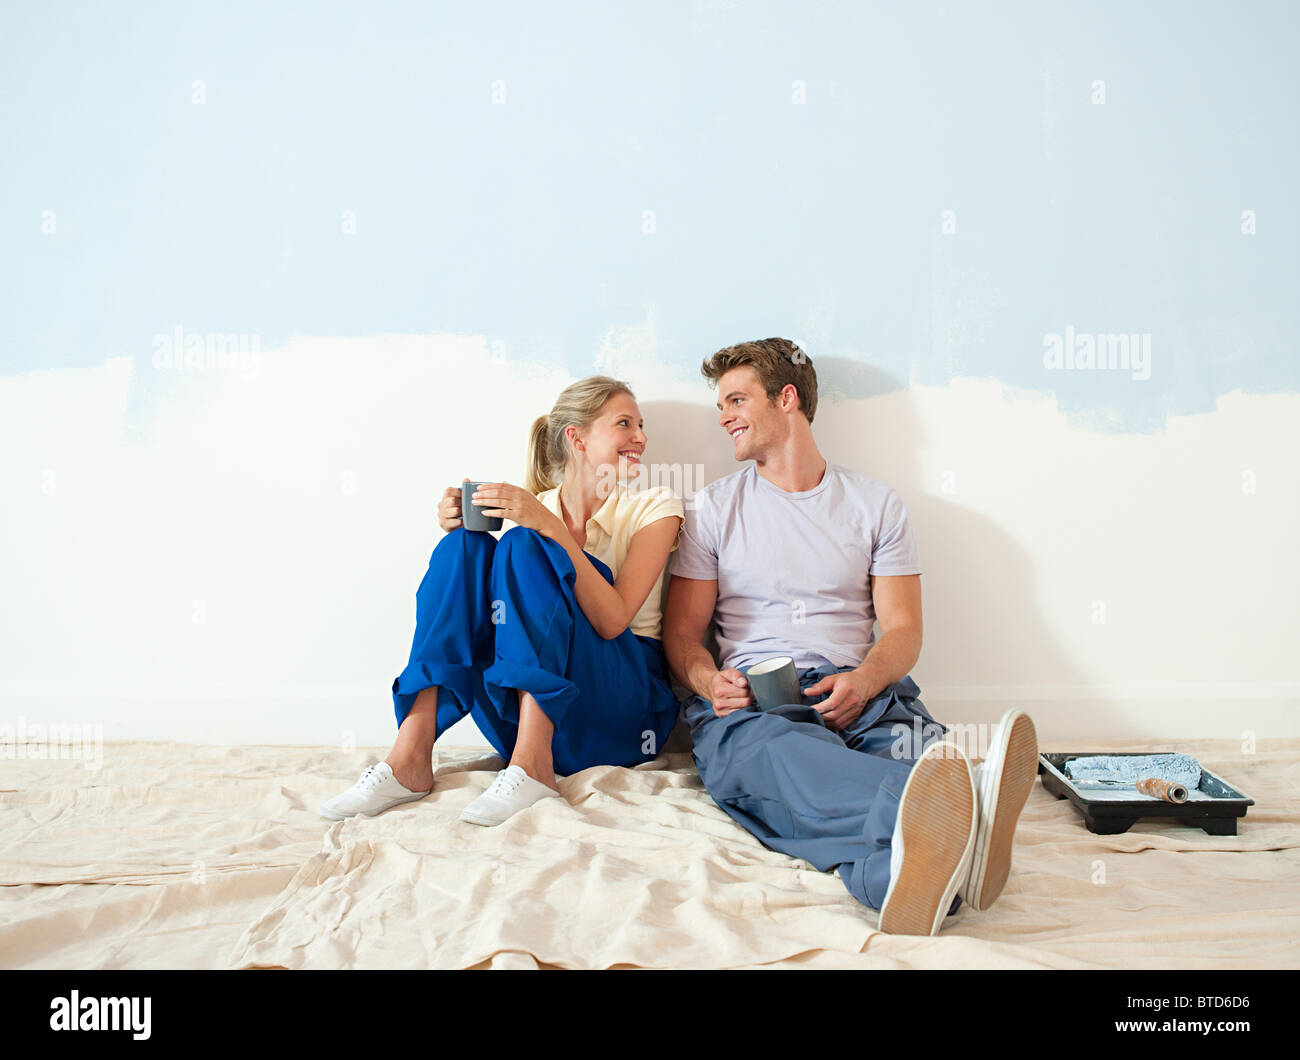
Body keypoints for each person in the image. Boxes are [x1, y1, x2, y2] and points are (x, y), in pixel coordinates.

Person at [663, 338, 1039, 936]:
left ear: (786, 399)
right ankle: (967, 813)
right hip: (759, 711)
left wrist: (864, 681)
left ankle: (896, 873)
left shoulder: (875, 505)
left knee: (921, 758)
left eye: (736, 399)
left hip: (865, 696)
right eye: (720, 404)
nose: (723, 416)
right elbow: (681, 634)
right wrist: (709, 680)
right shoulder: (712, 509)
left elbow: (904, 630)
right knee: (787, 762)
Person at [321, 375, 685, 827]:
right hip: (521, 719)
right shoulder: (532, 507)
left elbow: (612, 621)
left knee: (522, 545)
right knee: (464, 548)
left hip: (623, 712)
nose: (641, 437)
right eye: (624, 423)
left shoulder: (654, 506)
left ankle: (535, 767)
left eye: (640, 424)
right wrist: (461, 524)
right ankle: (410, 756)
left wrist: (545, 526)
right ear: (578, 438)